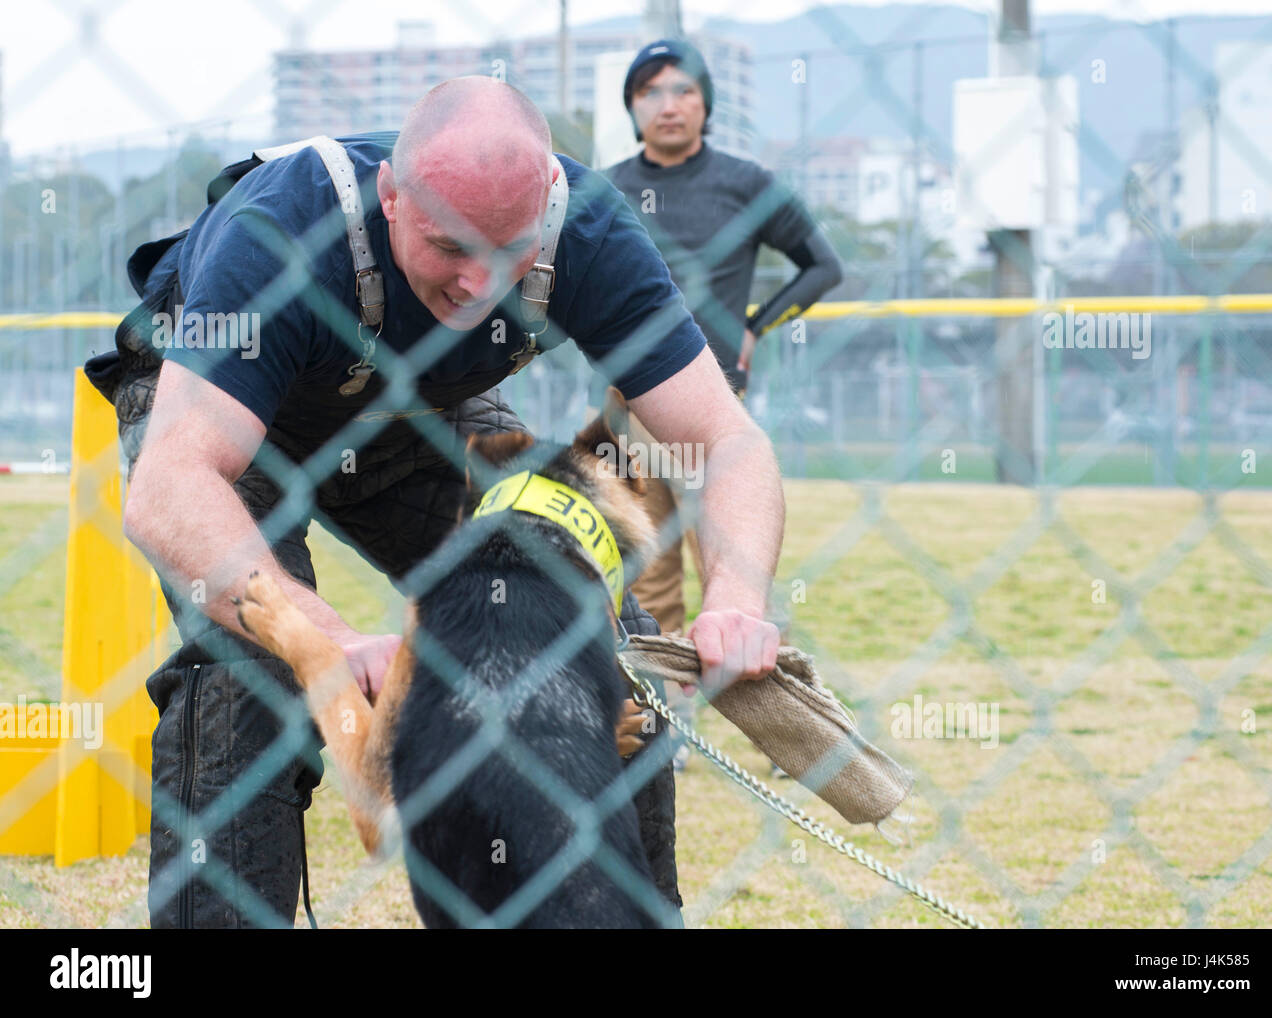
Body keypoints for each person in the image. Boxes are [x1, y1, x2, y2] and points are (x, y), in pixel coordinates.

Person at [99, 77, 784, 928]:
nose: (480, 285)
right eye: (449, 246)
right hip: (219, 422)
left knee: (605, 647)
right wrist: (330, 637)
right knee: (257, 672)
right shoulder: (280, 229)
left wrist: (737, 597)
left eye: (513, 253)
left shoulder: (592, 229)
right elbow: (172, 480)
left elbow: (729, 440)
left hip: (417, 410)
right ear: (391, 196)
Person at [602, 40, 842, 767]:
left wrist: (756, 324)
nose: (667, 104)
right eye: (650, 92)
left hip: (713, 404)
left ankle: (785, 733)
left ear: (705, 102)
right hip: (626, 406)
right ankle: (661, 731)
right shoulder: (604, 191)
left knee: (734, 572)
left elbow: (823, 264)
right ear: (632, 107)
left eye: (682, 90)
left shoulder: (746, 184)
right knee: (648, 573)